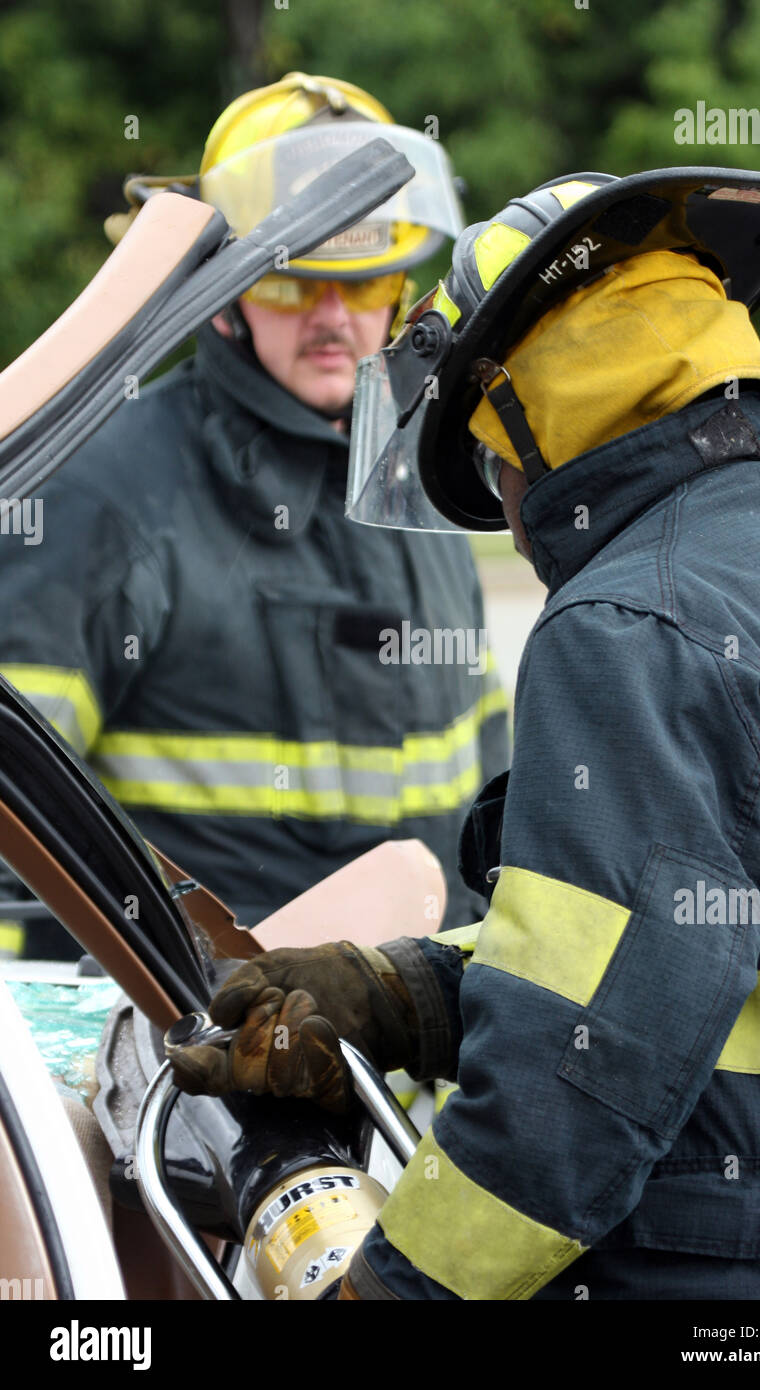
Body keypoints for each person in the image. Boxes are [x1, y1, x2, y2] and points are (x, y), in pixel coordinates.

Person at [171, 164, 760, 1302]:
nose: (504, 505)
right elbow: (679, 960)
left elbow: (572, 1087)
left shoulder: (630, 627)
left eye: (491, 455)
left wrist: (390, 1292)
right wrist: (399, 998)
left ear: (541, 420)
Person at [0, 73, 508, 959]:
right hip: (204, 1036)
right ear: (224, 289)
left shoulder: (421, 484)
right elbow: (17, 836)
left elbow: (492, 773)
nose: (332, 318)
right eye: (291, 282)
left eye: (363, 282)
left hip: (419, 1031)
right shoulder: (103, 491)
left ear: (401, 286)